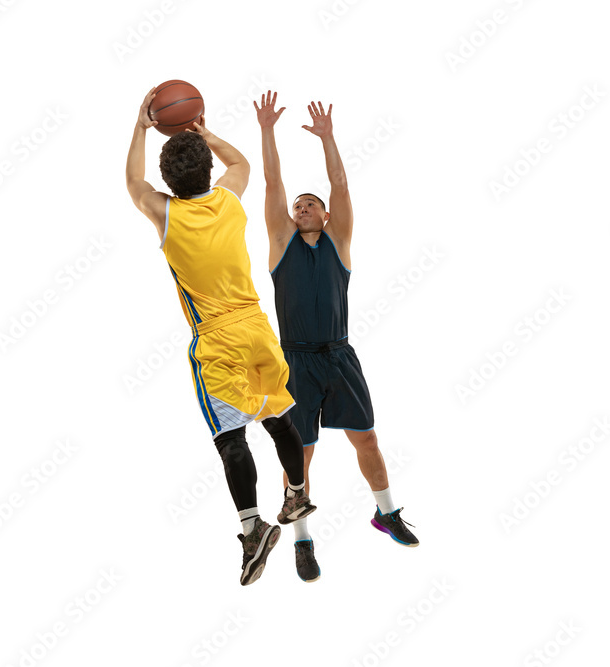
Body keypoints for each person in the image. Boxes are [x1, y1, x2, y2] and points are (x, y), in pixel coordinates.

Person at [125, 88, 316, 585]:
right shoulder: (230, 201)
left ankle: (254, 530)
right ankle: (297, 492)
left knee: (230, 436)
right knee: (277, 416)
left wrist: (142, 126)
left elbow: (133, 181)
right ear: (210, 171)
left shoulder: (165, 215)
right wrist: (205, 132)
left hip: (217, 340)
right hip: (258, 328)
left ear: (168, 182)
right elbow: (242, 163)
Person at [254, 91, 419, 583]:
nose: (302, 207)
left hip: (339, 356)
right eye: (299, 205)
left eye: (311, 205)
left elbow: (341, 184)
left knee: (366, 438)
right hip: (295, 362)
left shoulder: (338, 243)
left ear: (326, 217)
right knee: (299, 454)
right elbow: (272, 182)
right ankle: (302, 541)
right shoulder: (281, 244)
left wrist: (328, 138)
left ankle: (385, 512)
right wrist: (267, 130)